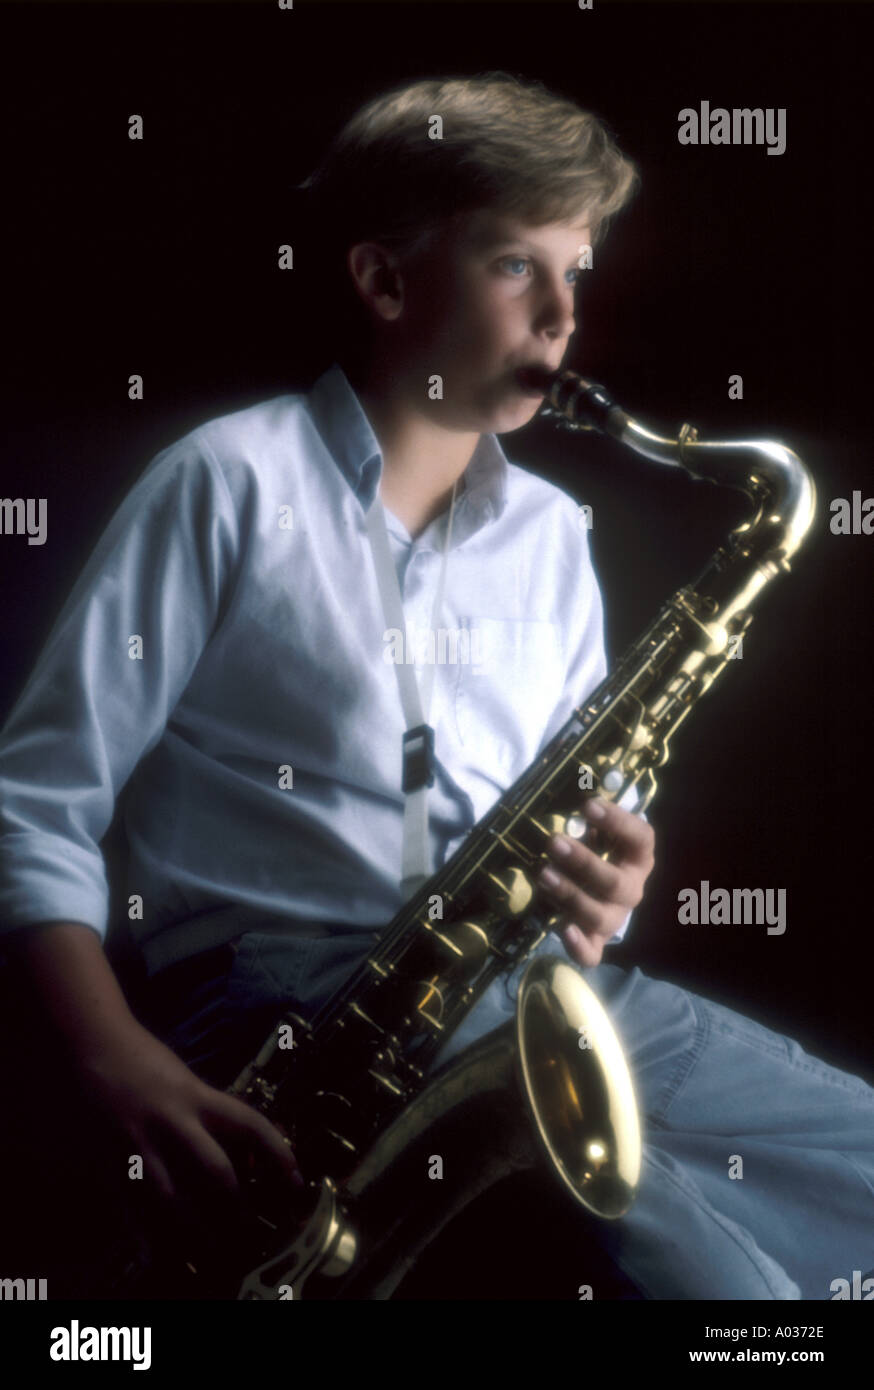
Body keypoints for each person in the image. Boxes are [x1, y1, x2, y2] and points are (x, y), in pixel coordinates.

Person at [0, 73, 871, 1301]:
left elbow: (566, 829)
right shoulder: (225, 483)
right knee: (730, 1294)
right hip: (284, 1007)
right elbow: (33, 804)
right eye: (520, 266)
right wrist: (117, 1063)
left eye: (580, 267)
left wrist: (608, 878)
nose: (565, 313)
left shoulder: (555, 535)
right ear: (384, 279)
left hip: (526, 989)